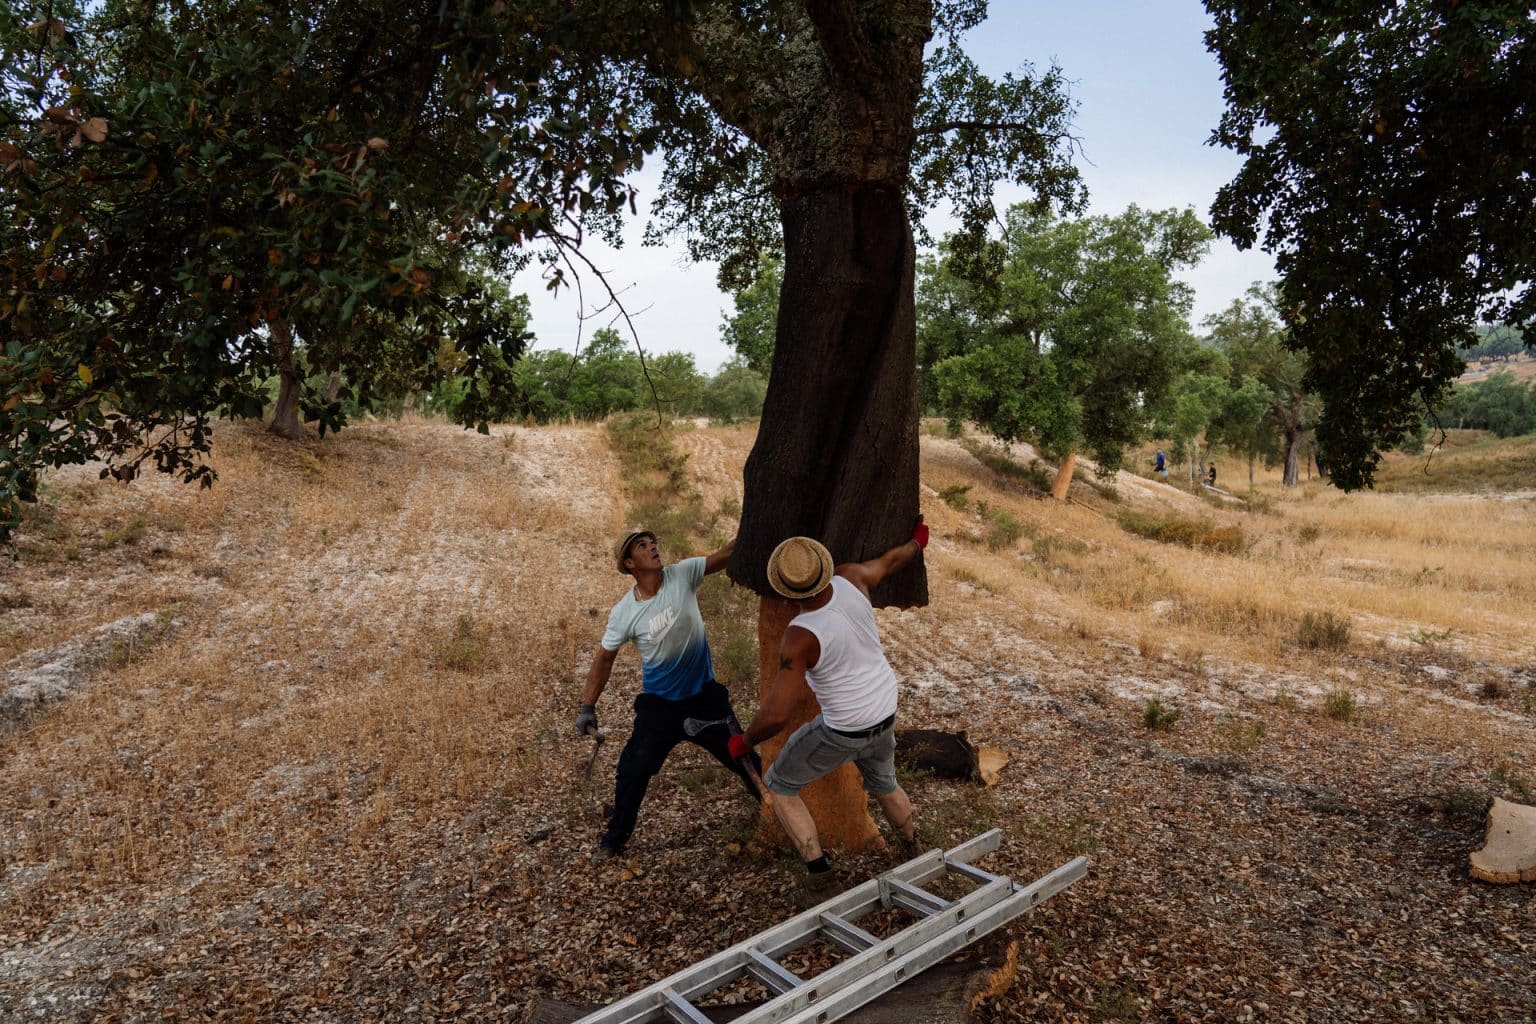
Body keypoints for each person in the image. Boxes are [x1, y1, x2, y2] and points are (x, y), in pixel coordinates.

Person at [728, 520, 928, 903]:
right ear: (823, 567)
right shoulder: (852, 578)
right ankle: (912, 846)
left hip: (845, 727)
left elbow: (777, 714)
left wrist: (746, 740)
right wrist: (918, 543)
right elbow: (892, 560)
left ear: (785, 589)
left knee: (781, 784)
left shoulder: (800, 634)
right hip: (885, 708)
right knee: (885, 782)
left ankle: (820, 878)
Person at [578, 529, 762, 864]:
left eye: (653, 543)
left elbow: (725, 554)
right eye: (642, 546)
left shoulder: (682, 574)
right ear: (629, 563)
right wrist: (588, 706)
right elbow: (605, 658)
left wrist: (754, 526)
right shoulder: (624, 612)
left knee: (747, 761)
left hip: (706, 699)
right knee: (633, 770)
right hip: (660, 707)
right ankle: (614, 841)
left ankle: (779, 815)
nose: (652, 547)